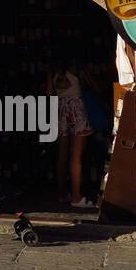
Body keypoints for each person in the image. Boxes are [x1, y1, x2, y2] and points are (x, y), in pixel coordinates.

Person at [49, 63, 94, 208]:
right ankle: (76, 197)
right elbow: (94, 87)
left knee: (62, 155)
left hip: (61, 109)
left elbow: (49, 93)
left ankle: (62, 194)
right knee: (76, 156)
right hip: (77, 109)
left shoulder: (52, 70)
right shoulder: (77, 67)